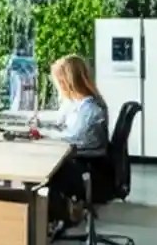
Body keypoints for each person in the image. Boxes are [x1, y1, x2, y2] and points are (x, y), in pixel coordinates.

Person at [39, 55, 110, 227]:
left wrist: (43, 135)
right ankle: (59, 214)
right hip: (85, 163)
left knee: (44, 172)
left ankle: (62, 214)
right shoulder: (81, 105)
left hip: (88, 169)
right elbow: (63, 125)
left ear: (66, 82)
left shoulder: (90, 110)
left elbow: (73, 141)